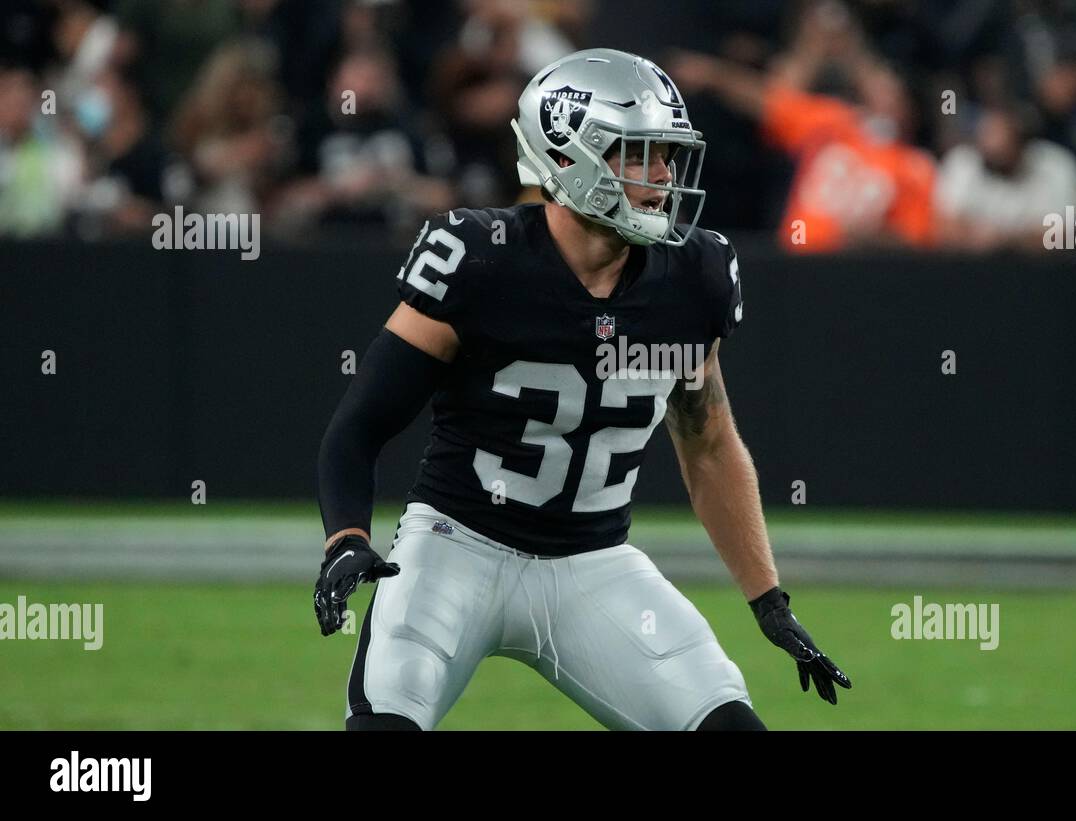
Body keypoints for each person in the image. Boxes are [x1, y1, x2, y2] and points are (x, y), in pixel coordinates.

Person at [313, 48, 850, 731]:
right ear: (565, 158)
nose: (662, 177)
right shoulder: (479, 259)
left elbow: (710, 444)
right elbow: (358, 426)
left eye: (667, 155)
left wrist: (769, 600)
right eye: (638, 153)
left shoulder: (694, 276)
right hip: (456, 545)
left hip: (593, 564)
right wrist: (347, 539)